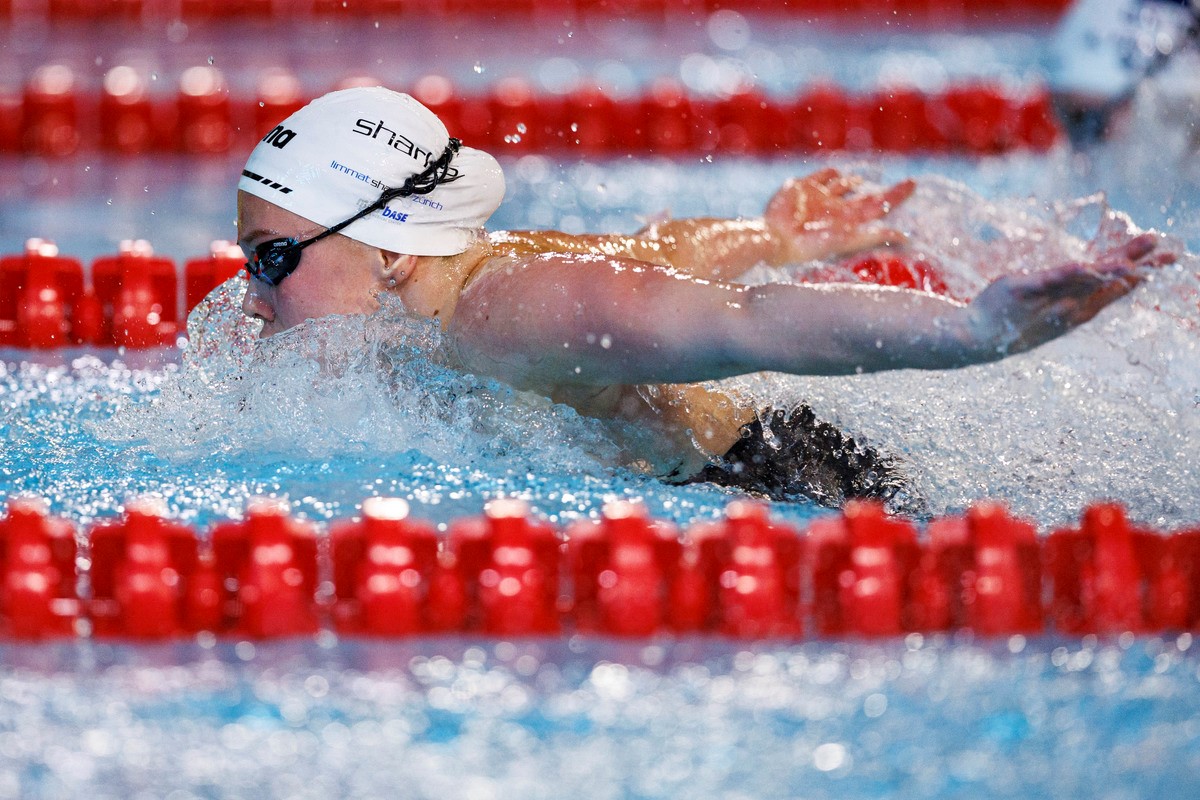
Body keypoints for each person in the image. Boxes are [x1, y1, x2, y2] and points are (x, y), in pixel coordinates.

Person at [235, 86, 1172, 509]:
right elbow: (654, 253)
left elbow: (746, 324)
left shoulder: (499, 317)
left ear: (394, 253)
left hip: (792, 488)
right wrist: (766, 238)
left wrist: (979, 328)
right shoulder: (463, 282)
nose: (249, 301)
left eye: (273, 260)